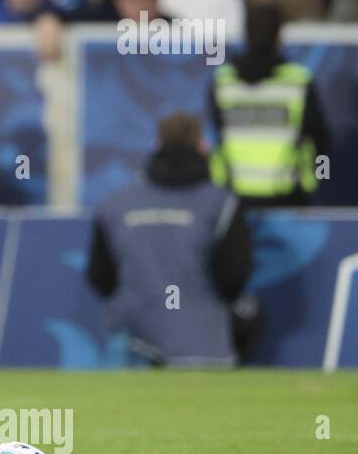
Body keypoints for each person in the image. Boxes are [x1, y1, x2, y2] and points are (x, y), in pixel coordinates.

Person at [86, 112, 253, 367]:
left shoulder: (115, 204)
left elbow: (100, 276)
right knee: (253, 313)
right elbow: (234, 277)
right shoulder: (222, 204)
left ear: (156, 145)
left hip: (131, 346)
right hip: (203, 346)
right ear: (203, 146)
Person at [209, 4, 330, 206]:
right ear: (278, 37)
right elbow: (320, 139)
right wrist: (320, 178)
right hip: (289, 194)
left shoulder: (223, 81)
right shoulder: (298, 81)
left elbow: (218, 135)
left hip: (234, 194)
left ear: (245, 35)